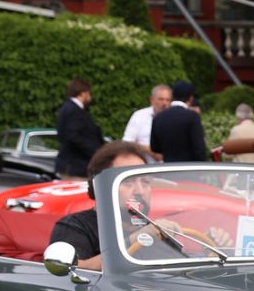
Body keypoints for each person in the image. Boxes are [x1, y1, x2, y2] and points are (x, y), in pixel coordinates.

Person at [48, 141, 151, 271]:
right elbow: (71, 272)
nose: (140, 191)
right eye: (127, 181)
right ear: (101, 187)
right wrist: (136, 240)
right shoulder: (75, 226)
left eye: (146, 182)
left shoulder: (154, 231)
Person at [55, 78, 104, 179]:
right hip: (76, 168)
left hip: (71, 165)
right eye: (89, 93)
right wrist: (97, 152)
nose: (90, 97)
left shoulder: (67, 108)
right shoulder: (74, 111)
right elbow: (74, 137)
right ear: (83, 93)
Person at [151, 80, 207, 163]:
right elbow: (199, 149)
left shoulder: (158, 117)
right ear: (190, 98)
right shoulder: (192, 117)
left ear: (172, 96)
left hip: (167, 167)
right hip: (188, 169)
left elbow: (154, 147)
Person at [121, 84, 172, 152]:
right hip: (144, 161)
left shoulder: (175, 118)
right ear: (152, 100)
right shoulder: (139, 116)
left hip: (171, 162)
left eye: (168, 100)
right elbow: (126, 142)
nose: (165, 103)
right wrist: (149, 151)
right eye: (161, 99)